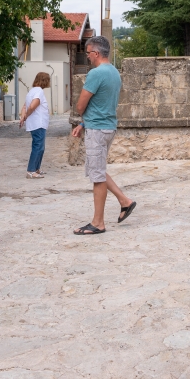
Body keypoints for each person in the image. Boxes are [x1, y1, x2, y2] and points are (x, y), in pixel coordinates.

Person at [71, 36, 136, 235]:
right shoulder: (114, 72)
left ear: (96, 53)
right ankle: (125, 201)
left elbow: (81, 105)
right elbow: (102, 104)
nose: (88, 57)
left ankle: (98, 223)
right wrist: (83, 123)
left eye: (89, 53)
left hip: (98, 130)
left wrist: (82, 117)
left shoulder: (96, 74)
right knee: (96, 169)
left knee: (97, 176)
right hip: (106, 126)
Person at [20, 72, 51, 178]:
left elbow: (24, 106)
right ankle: (31, 170)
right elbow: (32, 106)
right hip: (38, 123)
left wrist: (23, 117)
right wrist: (26, 116)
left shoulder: (31, 91)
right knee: (38, 146)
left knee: (40, 147)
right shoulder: (39, 92)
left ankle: (36, 168)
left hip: (35, 124)